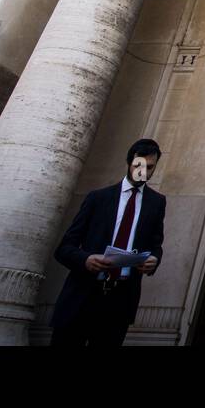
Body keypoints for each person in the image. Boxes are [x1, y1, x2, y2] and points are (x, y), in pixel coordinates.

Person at [49, 139, 166, 346]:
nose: (144, 172)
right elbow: (64, 248)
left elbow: (156, 244)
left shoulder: (156, 203)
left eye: (150, 167)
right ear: (129, 162)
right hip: (82, 295)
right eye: (139, 165)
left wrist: (154, 259)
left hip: (119, 302)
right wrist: (85, 260)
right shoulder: (98, 198)